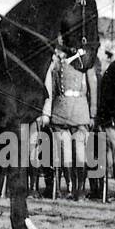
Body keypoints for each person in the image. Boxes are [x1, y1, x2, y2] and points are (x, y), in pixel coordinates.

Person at [41, 44, 98, 201]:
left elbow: (93, 89)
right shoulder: (58, 63)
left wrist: (93, 113)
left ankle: (80, 188)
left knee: (80, 151)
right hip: (60, 112)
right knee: (64, 151)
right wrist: (48, 112)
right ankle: (70, 186)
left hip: (80, 111)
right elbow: (51, 90)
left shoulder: (85, 62)